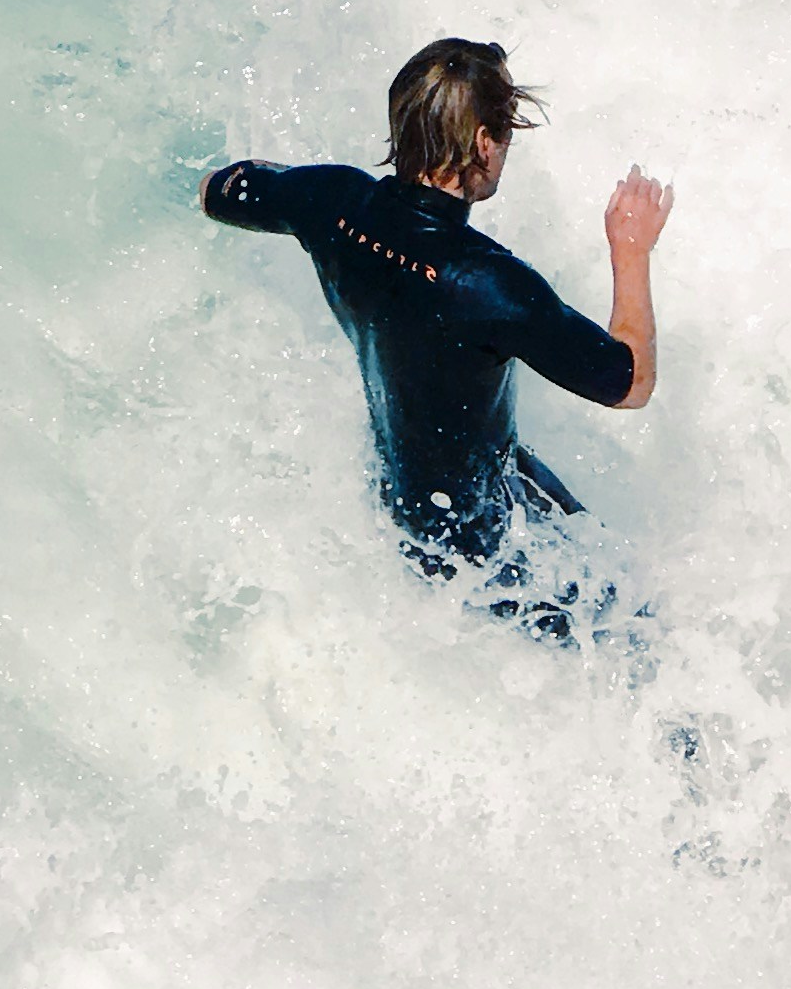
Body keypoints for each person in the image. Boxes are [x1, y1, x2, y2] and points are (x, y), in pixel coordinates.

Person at [202, 36, 673, 629]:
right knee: (636, 630)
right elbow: (628, 382)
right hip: (485, 539)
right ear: (483, 143)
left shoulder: (330, 199)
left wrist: (294, 190)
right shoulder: (489, 285)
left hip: (403, 502)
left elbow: (220, 188)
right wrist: (631, 249)